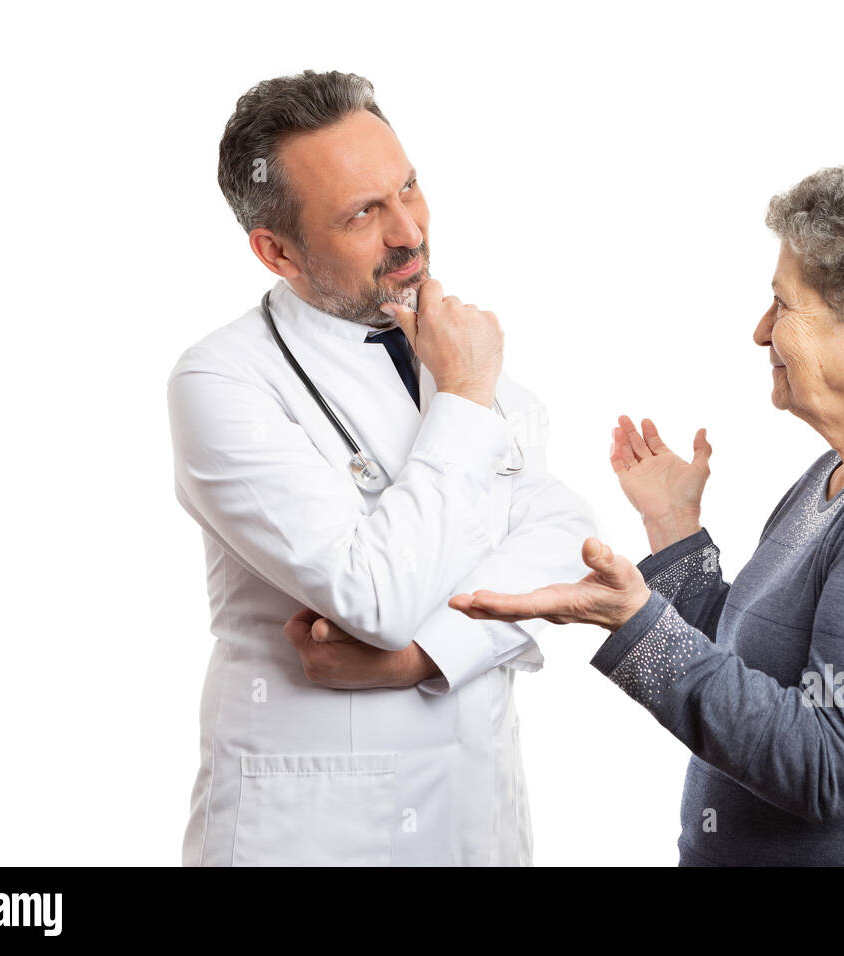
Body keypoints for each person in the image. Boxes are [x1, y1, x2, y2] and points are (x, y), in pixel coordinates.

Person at [450, 160, 844, 866]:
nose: (761, 331)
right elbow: (755, 672)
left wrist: (636, 628)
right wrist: (675, 533)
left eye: (784, 304)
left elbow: (828, 764)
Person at [167, 70, 597, 866]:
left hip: (478, 820)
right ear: (277, 250)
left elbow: (567, 544)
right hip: (312, 836)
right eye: (364, 213)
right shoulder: (221, 383)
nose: (410, 231)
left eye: (409, 188)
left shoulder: (446, 347)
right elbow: (376, 596)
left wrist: (416, 661)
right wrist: (466, 396)